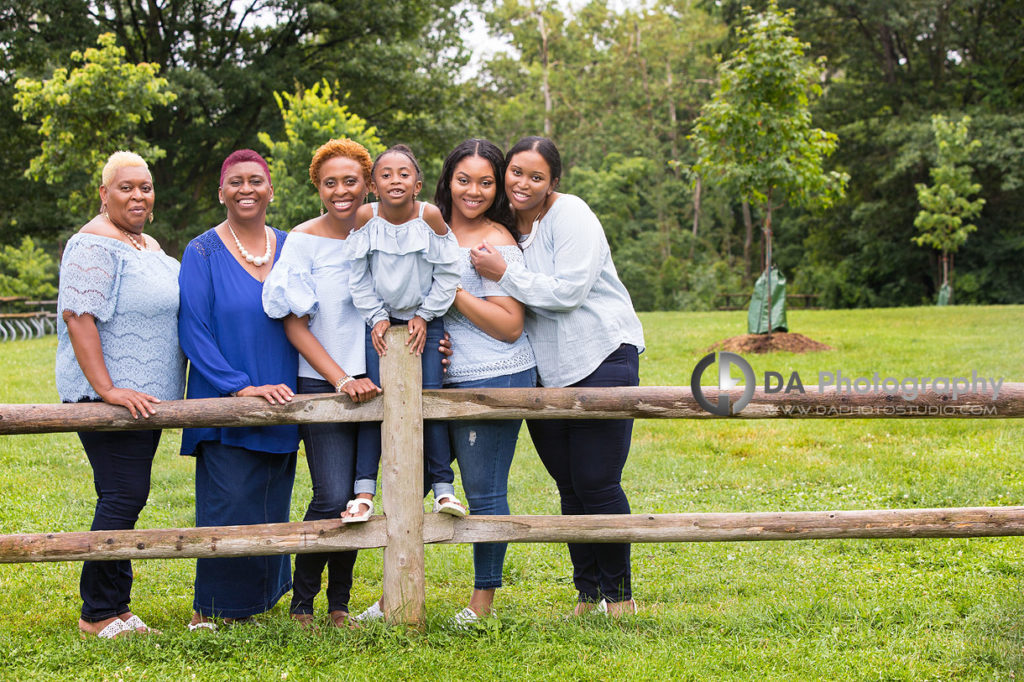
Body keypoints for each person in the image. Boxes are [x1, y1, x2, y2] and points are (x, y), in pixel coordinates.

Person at [471, 136, 645, 618]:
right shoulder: (504, 226)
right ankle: (588, 596)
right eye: (516, 172)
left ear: (553, 183)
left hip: (599, 356)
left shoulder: (571, 215)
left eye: (536, 176)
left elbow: (568, 292)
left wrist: (504, 272)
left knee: (598, 482)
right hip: (543, 371)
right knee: (569, 484)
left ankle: (621, 597)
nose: (523, 183)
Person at [56, 151, 185, 638]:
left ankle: (118, 606)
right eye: (126, 187)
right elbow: (78, 317)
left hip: (144, 399)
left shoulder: (146, 243)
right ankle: (97, 614)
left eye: (145, 187)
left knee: (125, 495)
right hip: (110, 398)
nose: (138, 195)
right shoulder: (91, 244)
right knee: (123, 494)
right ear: (104, 193)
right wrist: (106, 388)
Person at [262, 139, 381, 629]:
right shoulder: (302, 242)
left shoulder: (382, 231)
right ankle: (303, 602)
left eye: (350, 181)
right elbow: (293, 324)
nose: (340, 191)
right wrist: (340, 379)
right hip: (324, 383)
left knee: (358, 498)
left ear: (368, 185)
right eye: (329, 182)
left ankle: (339, 605)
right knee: (331, 493)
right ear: (317, 187)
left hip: (377, 380)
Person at [178, 149, 299, 630]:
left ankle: (254, 603)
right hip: (223, 394)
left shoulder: (293, 245)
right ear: (222, 192)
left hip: (283, 394)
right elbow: (193, 329)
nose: (246, 189)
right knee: (227, 503)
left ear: (271, 189)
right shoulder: (201, 250)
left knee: (269, 498)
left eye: (256, 180)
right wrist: (237, 388)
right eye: (236, 182)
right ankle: (209, 610)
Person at [433, 139, 537, 626]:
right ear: (448, 179)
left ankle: (481, 603)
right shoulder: (429, 228)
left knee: (483, 488)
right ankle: (396, 594)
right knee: (417, 477)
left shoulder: (496, 240)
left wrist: (450, 294)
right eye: (464, 179)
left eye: (485, 182)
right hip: (441, 375)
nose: (473, 191)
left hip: (497, 372)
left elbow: (511, 324)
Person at [345, 143, 466, 522]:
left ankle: (443, 489)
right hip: (378, 323)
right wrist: (376, 316)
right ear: (374, 185)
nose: (395, 180)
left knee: (427, 400)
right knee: (374, 400)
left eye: (403, 174)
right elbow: (358, 275)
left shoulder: (430, 217)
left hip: (423, 321)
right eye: (386, 175)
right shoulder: (366, 217)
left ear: (417, 184)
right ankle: (364, 492)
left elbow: (448, 272)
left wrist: (426, 314)